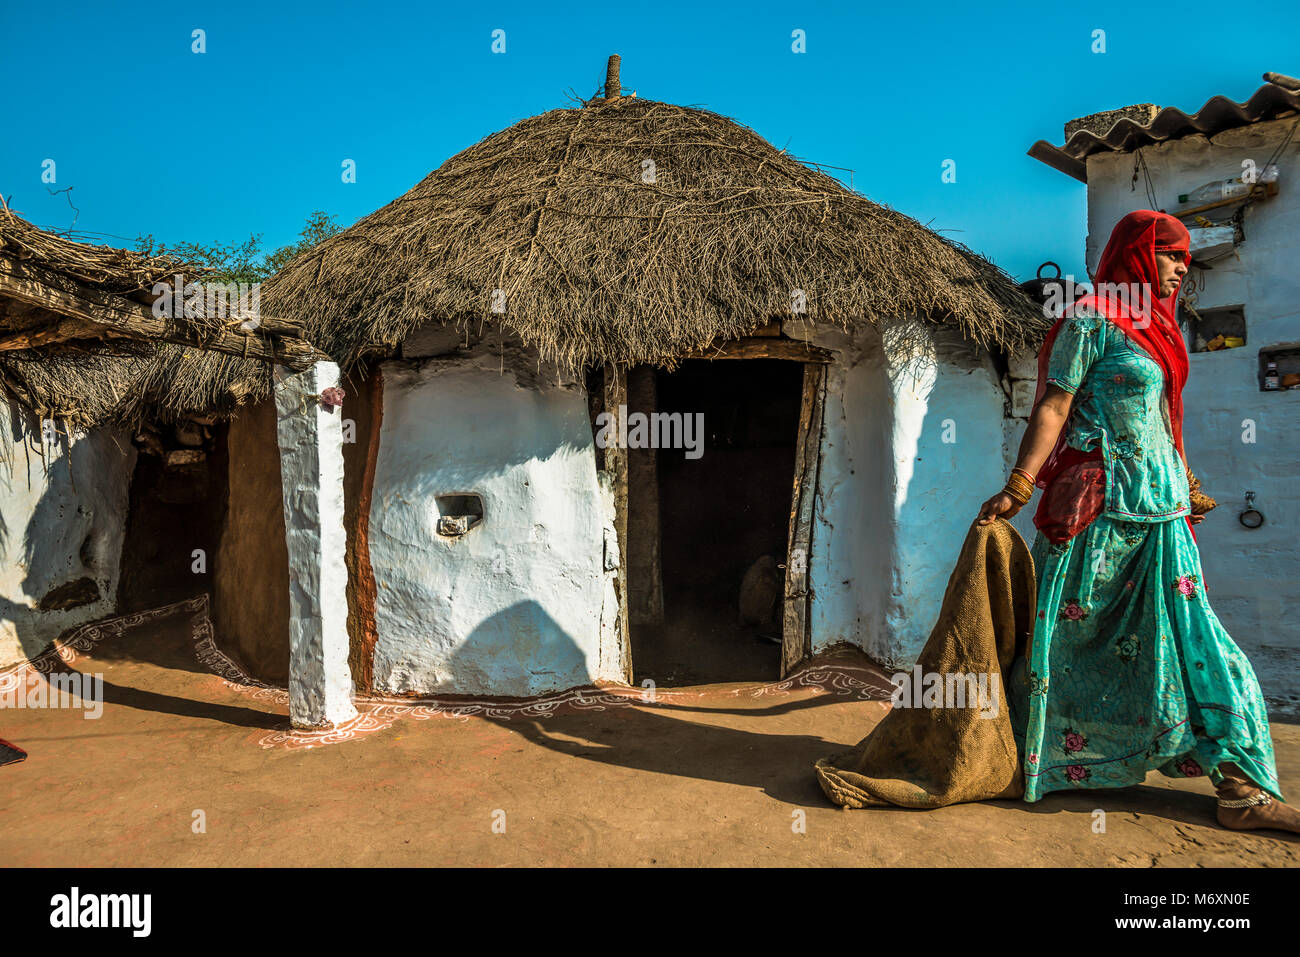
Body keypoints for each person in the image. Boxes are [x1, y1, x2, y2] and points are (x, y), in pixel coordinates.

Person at [977, 209, 1299, 833]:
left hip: (1163, 515)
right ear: (1136, 254)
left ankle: (1241, 788)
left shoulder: (1157, 327)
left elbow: (1160, 416)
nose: (1182, 268)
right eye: (1172, 254)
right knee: (1066, 648)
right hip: (1098, 515)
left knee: (1203, 650)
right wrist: (1018, 486)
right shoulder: (1091, 318)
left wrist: (1187, 480)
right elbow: (1054, 403)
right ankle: (1029, 763)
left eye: (1185, 258)